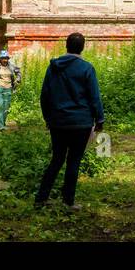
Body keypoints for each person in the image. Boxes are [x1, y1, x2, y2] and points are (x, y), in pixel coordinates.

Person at [35, 32, 105, 209]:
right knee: (74, 161)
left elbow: (45, 96)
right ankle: (68, 201)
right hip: (81, 122)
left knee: (57, 159)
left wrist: (47, 117)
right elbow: (94, 97)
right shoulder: (87, 68)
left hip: (58, 122)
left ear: (66, 46)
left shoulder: (54, 67)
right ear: (82, 47)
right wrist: (100, 118)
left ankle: (41, 198)